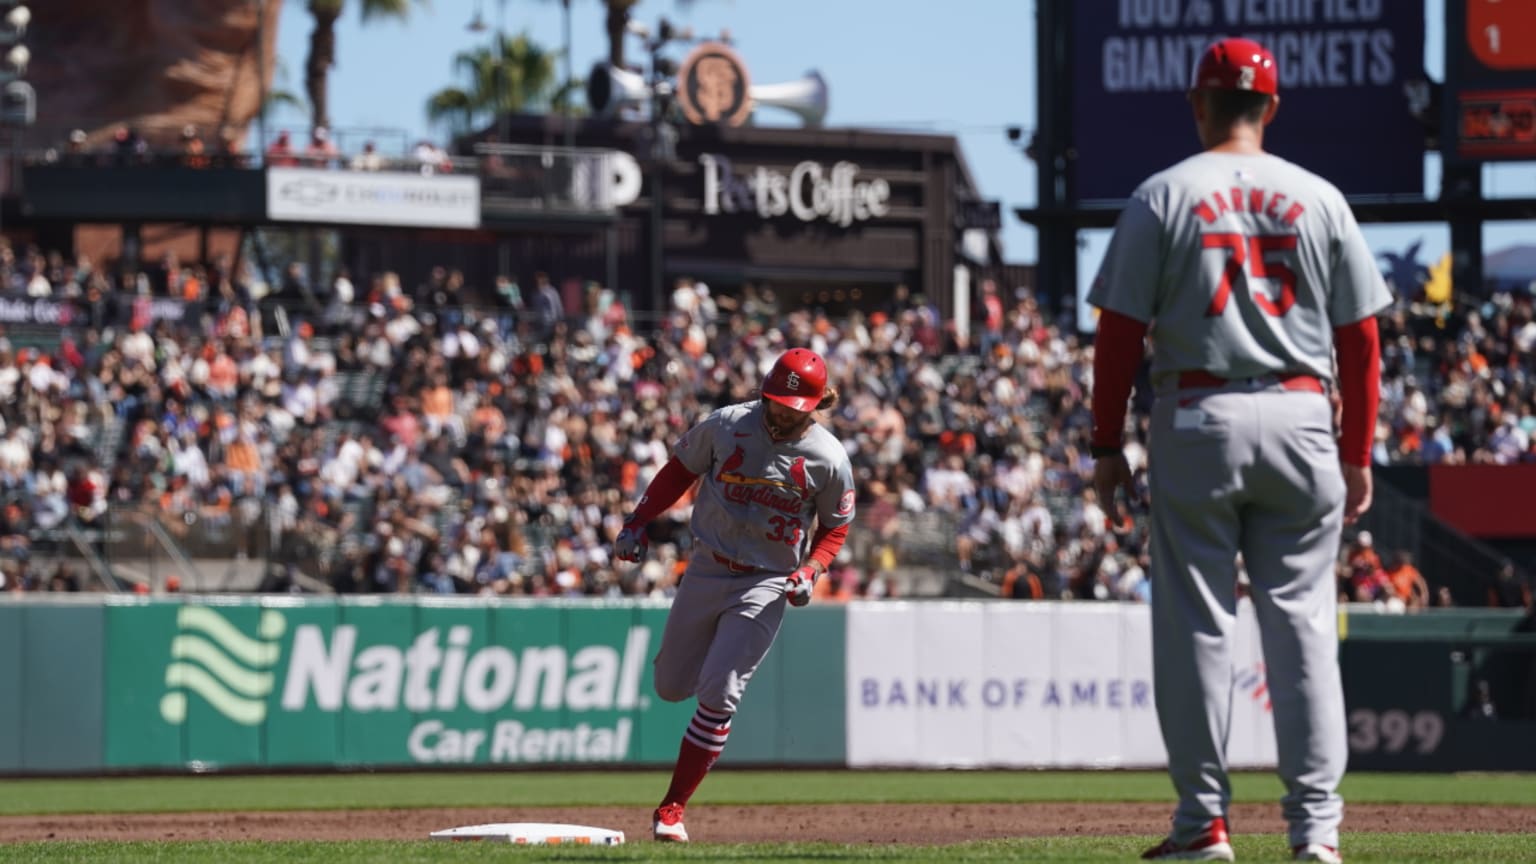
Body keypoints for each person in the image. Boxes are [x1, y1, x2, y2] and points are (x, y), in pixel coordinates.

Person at [1086, 38, 1390, 864]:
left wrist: (1105, 444)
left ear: (1198, 104)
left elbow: (1118, 334)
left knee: (1197, 626)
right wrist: (1357, 452)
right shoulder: (1320, 196)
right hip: (1301, 414)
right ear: (1274, 108)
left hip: (1199, 411)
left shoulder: (1164, 194)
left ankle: (1205, 825)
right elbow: (1360, 342)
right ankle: (1316, 836)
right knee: (1303, 629)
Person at [613, 348, 856, 843]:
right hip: (706, 567)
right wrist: (639, 520)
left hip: (767, 579)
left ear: (814, 404)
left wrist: (812, 569)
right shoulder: (727, 425)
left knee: (720, 692)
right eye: (776, 398)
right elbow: (679, 471)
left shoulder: (828, 457)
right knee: (670, 686)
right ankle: (678, 788)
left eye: (793, 403)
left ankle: (672, 810)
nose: (781, 409)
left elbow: (835, 527)